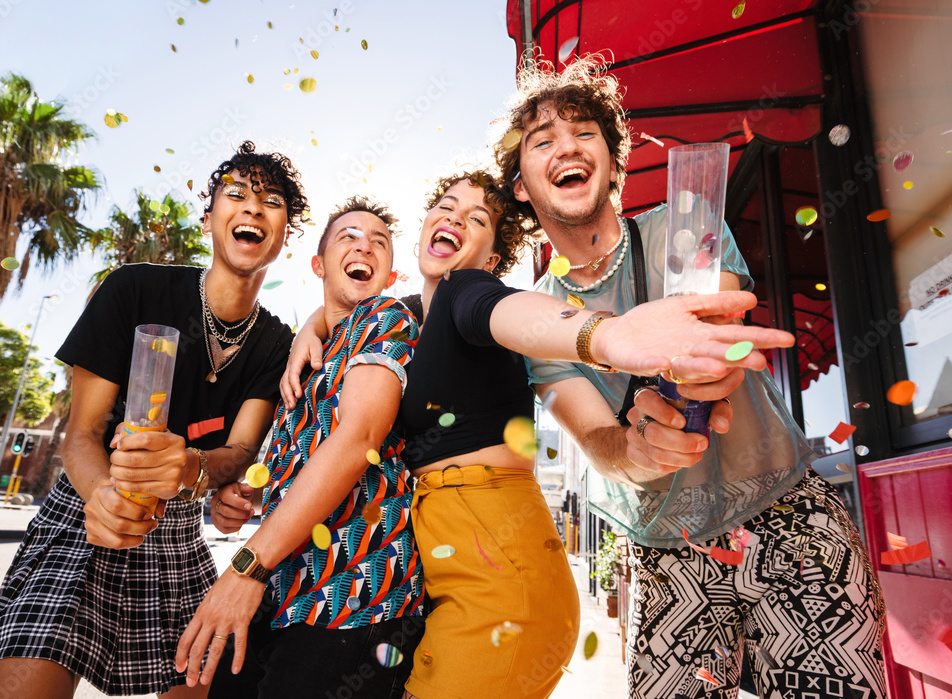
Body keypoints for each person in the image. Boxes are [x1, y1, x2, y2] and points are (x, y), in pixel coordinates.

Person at [282, 171, 795, 699]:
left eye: (478, 218)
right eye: (445, 204)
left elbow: (513, 313)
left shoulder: (470, 290)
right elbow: (352, 305)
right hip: (455, 574)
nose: (455, 217)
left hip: (500, 581)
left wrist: (606, 333)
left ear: (491, 259)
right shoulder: (410, 319)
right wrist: (314, 326)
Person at [494, 55, 887, 698]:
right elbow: (597, 443)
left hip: (791, 518)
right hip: (667, 552)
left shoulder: (685, 227)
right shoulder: (537, 316)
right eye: (543, 140)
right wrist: (639, 448)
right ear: (520, 184)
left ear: (615, 165)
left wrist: (703, 374)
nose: (567, 144)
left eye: (584, 131)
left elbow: (717, 336)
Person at [0, 141, 301, 699]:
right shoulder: (135, 288)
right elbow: (80, 433)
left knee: (200, 675)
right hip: (89, 503)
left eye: (271, 200)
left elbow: (241, 451)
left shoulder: (277, 342)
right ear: (209, 219)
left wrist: (192, 470)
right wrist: (102, 495)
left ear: (286, 235)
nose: (252, 208)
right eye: (236, 194)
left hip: (179, 531)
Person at [176, 196, 425, 698]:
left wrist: (247, 564)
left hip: (355, 596)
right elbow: (288, 461)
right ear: (318, 264)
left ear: (392, 276)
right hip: (279, 588)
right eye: (349, 237)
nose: (365, 246)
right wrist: (245, 494)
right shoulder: (306, 354)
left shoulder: (387, 318)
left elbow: (357, 443)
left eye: (380, 242)